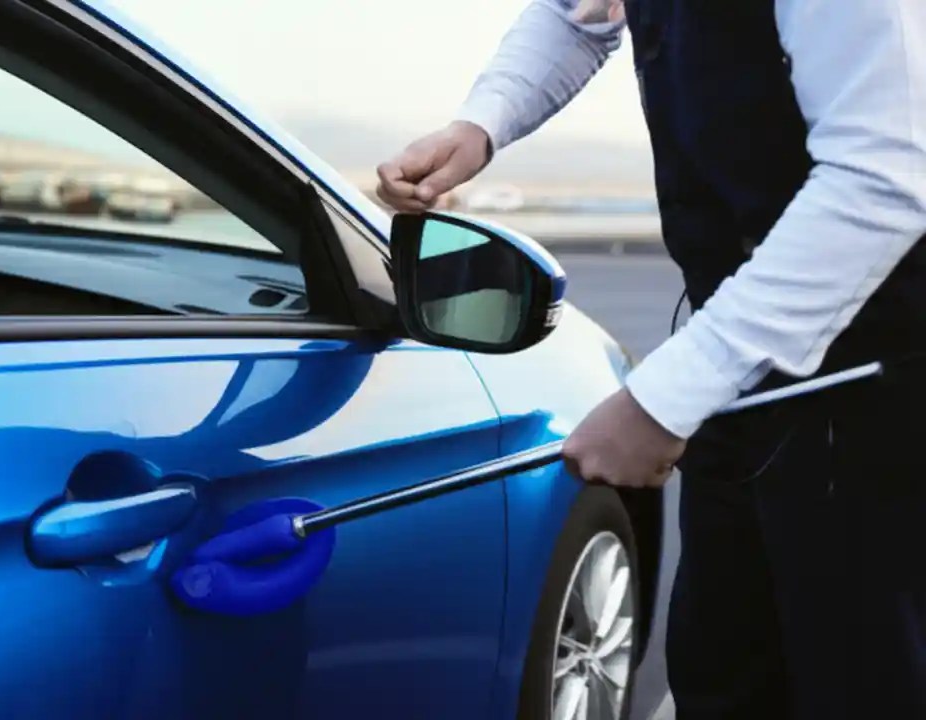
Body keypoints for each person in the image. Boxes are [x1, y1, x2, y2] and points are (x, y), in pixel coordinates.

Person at [376, 1, 926, 718]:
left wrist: (662, 400)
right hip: (739, 367)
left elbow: (883, 178)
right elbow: (579, 14)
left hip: (876, 391)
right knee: (723, 676)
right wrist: (481, 124)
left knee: (865, 684)